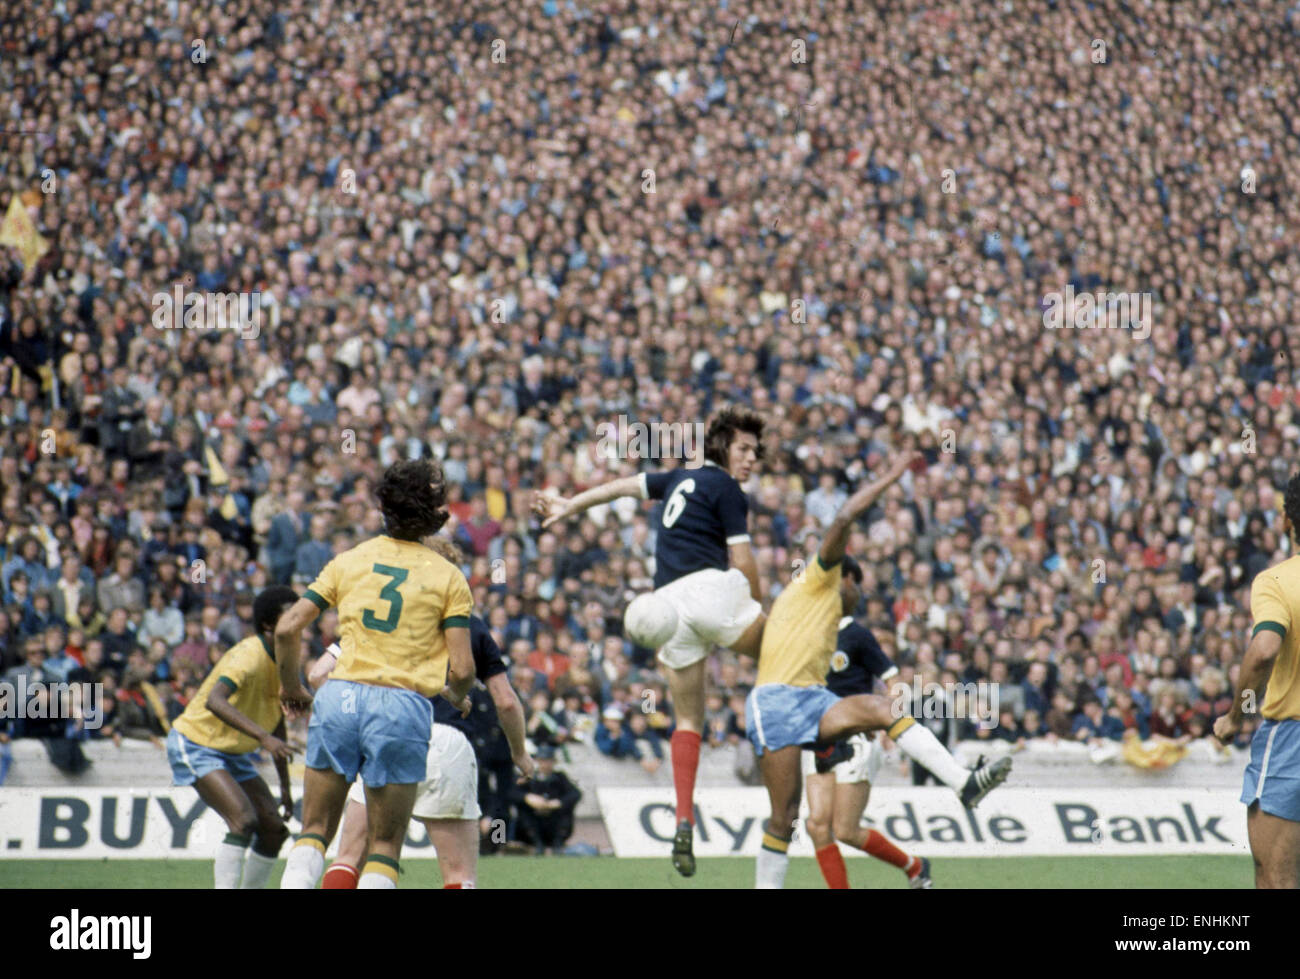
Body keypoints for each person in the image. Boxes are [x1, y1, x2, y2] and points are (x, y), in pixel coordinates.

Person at [747, 451, 1011, 889]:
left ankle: (962, 783)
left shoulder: (828, 618)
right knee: (786, 818)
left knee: (879, 708)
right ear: (844, 579)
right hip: (776, 701)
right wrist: (892, 474)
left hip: (814, 702)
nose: (860, 593)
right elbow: (846, 515)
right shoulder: (819, 580)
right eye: (859, 584)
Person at [534, 405, 768, 876]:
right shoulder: (727, 488)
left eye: (756, 452)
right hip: (708, 592)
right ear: (722, 446)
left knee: (687, 717)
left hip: (668, 610)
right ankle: (830, 745)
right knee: (791, 653)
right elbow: (743, 562)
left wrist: (568, 505)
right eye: (744, 449)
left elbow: (624, 486)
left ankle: (684, 820)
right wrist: (755, 605)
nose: (751, 459)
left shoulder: (679, 478)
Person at [275, 459, 476, 890]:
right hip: (400, 707)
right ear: (436, 512)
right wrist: (456, 694)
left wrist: (291, 688)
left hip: (340, 698)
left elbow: (288, 627)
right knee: (384, 844)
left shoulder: (349, 559)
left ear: (383, 506)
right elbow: (463, 669)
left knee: (314, 831)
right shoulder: (449, 577)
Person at [314, 540, 534, 890]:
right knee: (458, 875)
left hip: (386, 733)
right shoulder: (472, 627)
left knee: (351, 856)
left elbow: (319, 673)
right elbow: (506, 701)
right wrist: (520, 752)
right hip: (445, 741)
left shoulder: (381, 617)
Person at [803, 556, 932, 889]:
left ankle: (914, 866)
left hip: (855, 738)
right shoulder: (807, 629)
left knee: (845, 830)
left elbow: (892, 681)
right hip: (815, 740)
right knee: (817, 825)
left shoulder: (858, 636)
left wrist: (893, 723)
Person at [165, 585, 299, 888]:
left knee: (274, 831)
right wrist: (265, 739)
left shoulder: (288, 657)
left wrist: (286, 787)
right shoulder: (248, 656)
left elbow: (277, 720)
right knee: (243, 821)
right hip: (196, 742)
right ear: (268, 625)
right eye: (290, 616)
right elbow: (215, 700)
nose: (298, 622)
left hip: (231, 751)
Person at [1214, 472, 1300, 889]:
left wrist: (1234, 716)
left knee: (1276, 877)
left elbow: (1264, 648)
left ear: (1286, 520)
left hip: (1293, 740)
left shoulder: (1278, 580)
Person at [511, 744, 581, 854]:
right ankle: (537, 844)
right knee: (523, 811)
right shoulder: (528, 778)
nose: (545, 764)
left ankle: (557, 844)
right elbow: (512, 793)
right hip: (532, 823)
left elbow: (575, 794)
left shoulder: (560, 778)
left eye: (548, 761)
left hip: (553, 821)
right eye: (542, 760)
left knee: (566, 811)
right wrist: (528, 798)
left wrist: (558, 803)